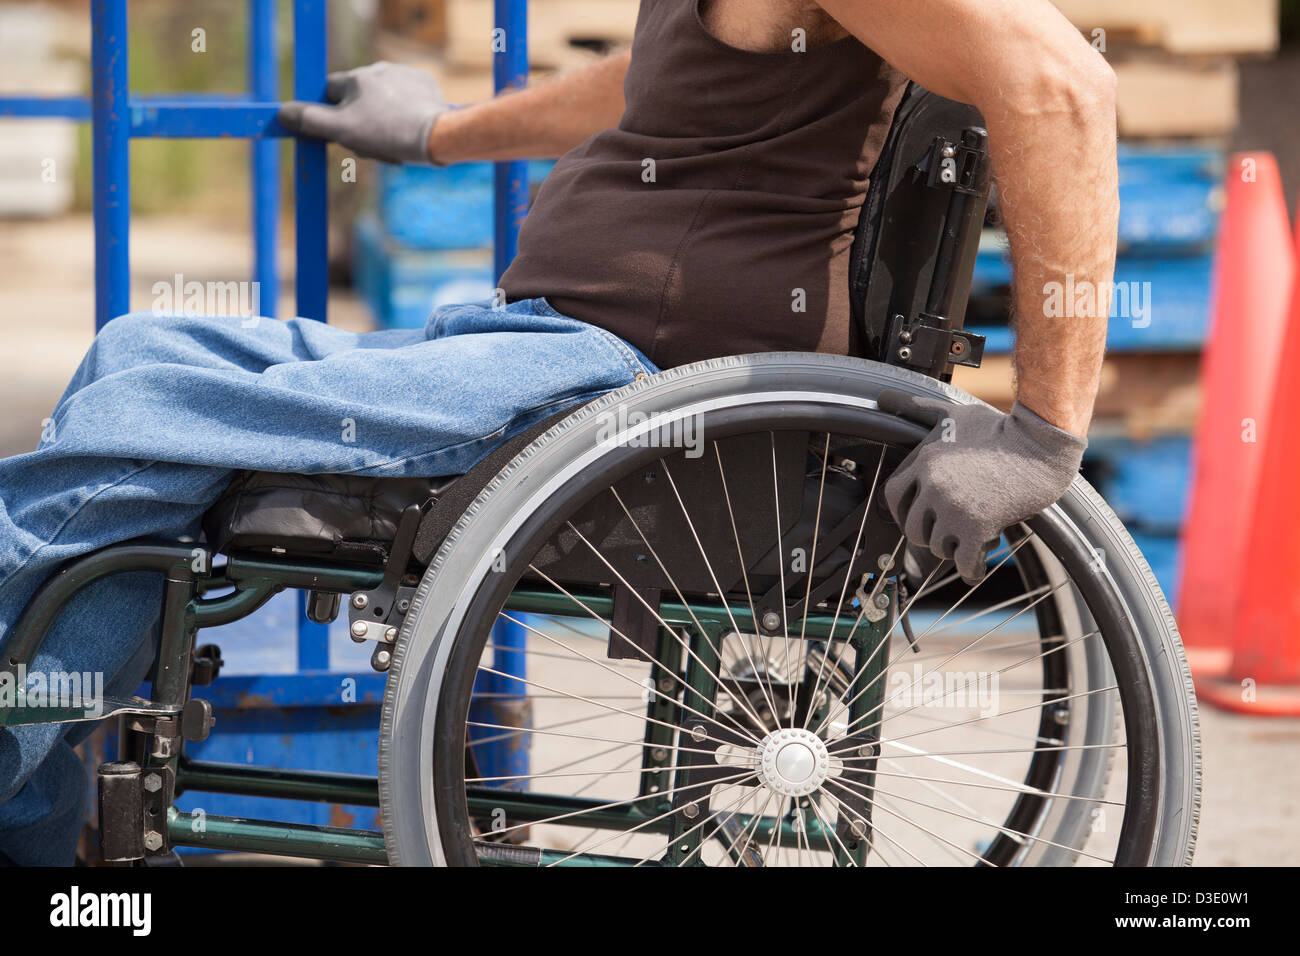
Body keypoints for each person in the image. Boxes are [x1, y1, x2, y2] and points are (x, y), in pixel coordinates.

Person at [0, 0, 1117, 864]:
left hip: (622, 385)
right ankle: (33, 809)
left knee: (148, 412)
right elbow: (651, 88)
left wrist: (1044, 436)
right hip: (556, 349)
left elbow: (1064, 87)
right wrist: (439, 133)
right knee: (138, 354)